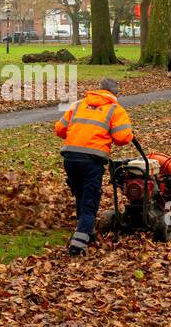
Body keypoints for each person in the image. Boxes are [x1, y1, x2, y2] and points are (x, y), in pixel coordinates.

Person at [54, 78, 134, 256]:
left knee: (81, 195)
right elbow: (122, 137)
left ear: (99, 89)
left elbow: (59, 129)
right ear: (116, 93)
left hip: (70, 158)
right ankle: (77, 245)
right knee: (90, 200)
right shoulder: (115, 109)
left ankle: (87, 232)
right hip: (92, 160)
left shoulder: (78, 105)